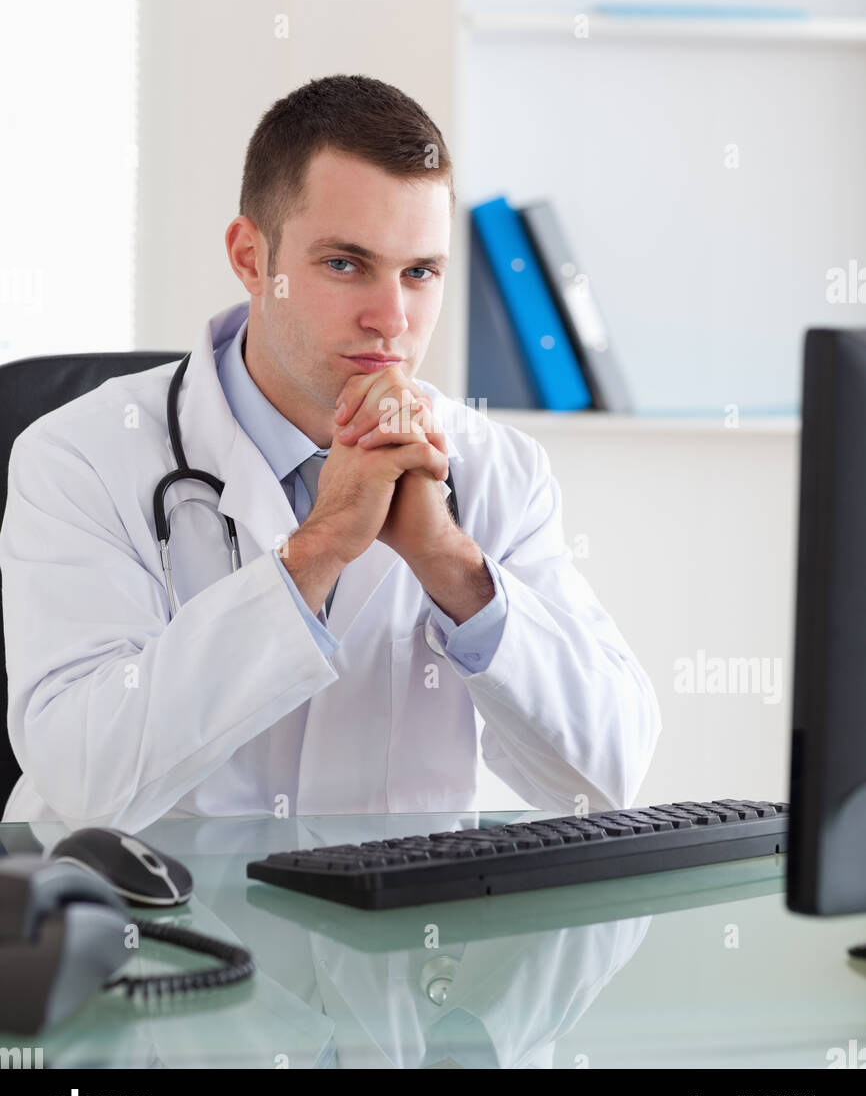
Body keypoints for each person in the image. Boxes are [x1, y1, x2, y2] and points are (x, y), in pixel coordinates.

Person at [0, 74, 661, 832]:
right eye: (345, 264)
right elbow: (85, 779)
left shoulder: (497, 468)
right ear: (252, 259)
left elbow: (607, 778)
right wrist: (315, 553)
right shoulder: (79, 456)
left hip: (399, 943)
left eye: (421, 272)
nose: (392, 319)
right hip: (155, 934)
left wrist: (450, 564)